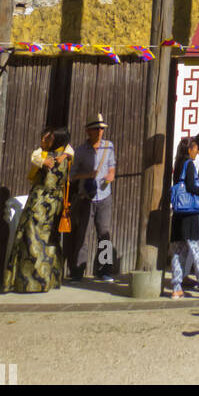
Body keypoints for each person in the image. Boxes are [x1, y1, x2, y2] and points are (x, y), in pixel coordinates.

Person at [3, 128, 72, 294]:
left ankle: (33, 280)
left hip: (45, 201)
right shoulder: (51, 154)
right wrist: (46, 160)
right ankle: (43, 279)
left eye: (49, 138)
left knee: (37, 238)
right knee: (40, 238)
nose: (45, 141)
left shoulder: (59, 154)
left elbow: (67, 150)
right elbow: (37, 156)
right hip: (48, 202)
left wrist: (54, 158)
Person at [67, 112, 116, 283]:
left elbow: (112, 167)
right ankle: (78, 271)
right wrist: (86, 175)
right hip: (85, 197)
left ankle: (105, 270)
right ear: (88, 131)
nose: (100, 131)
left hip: (104, 195)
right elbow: (71, 175)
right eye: (97, 128)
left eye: (101, 128)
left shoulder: (109, 146)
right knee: (83, 234)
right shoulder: (80, 151)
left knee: (104, 233)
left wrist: (110, 175)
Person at [169, 137, 199, 300]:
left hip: (178, 214)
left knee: (178, 251)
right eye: (195, 149)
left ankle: (176, 287)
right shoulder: (188, 164)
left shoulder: (178, 164)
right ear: (189, 150)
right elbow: (191, 187)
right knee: (198, 250)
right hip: (191, 214)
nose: (196, 152)